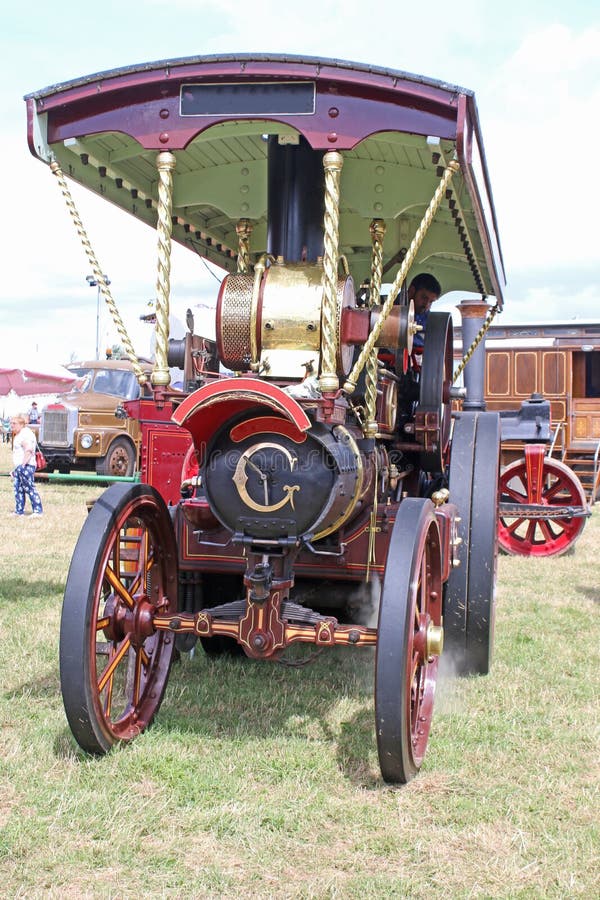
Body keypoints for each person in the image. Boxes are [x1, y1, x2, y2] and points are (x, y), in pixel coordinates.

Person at [10, 414, 43, 517]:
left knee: (29, 488)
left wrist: (22, 465)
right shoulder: (20, 434)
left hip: (26, 466)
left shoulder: (25, 435)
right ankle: (19, 510)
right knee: (18, 488)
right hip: (21, 466)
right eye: (11, 423)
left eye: (14, 424)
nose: (12, 426)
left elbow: (28, 450)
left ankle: (38, 511)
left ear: (21, 424)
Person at [408, 273, 442, 350]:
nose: (426, 305)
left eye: (431, 302)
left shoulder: (428, 317)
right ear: (411, 291)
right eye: (424, 298)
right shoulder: (391, 310)